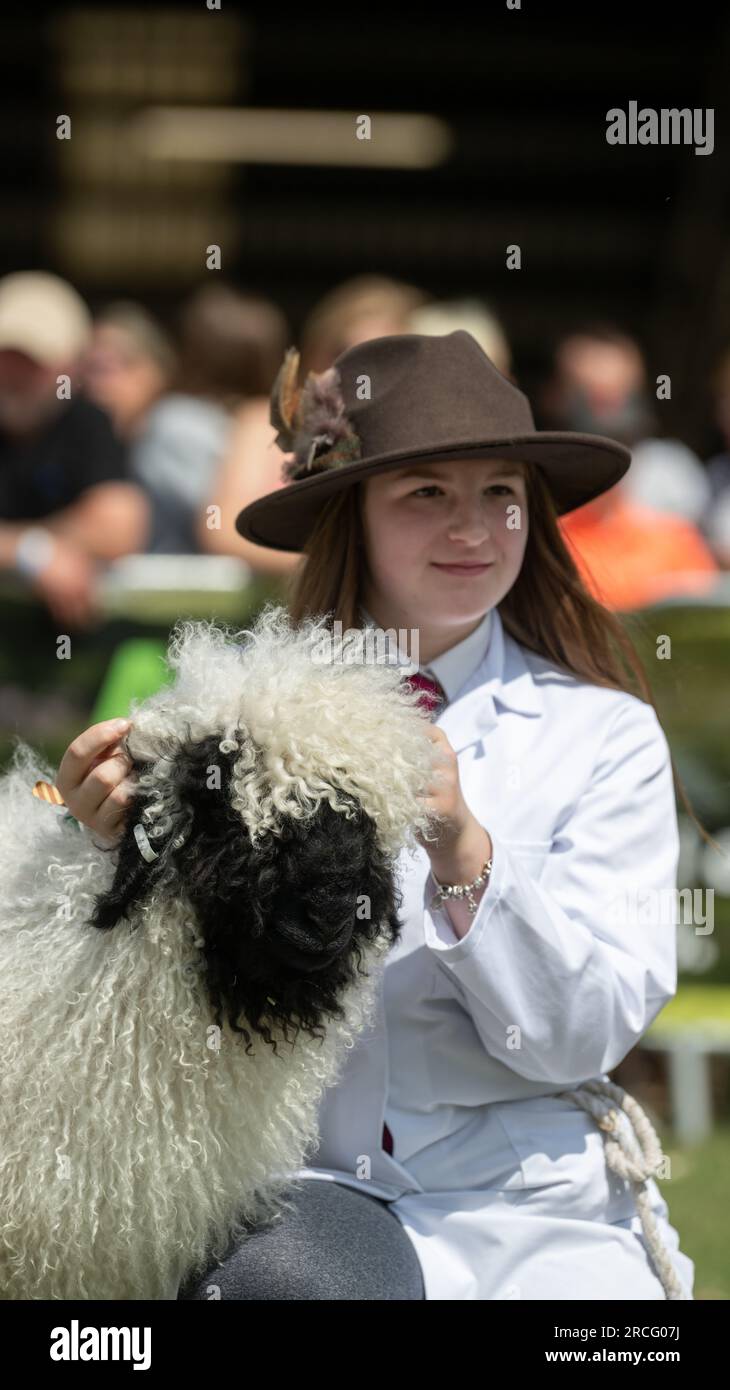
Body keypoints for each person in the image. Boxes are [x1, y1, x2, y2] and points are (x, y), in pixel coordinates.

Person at [56, 330, 698, 1300]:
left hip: (530, 1212)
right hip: (301, 1189)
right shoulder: (228, 712)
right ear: (351, 516)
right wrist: (102, 857)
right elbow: (149, 1012)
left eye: (501, 493)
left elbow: (580, 1036)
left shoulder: (602, 734)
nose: (473, 528)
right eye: (426, 492)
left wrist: (463, 849)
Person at [0, 272, 149, 626]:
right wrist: (30, 553)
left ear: (71, 365)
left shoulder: (88, 422)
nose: (15, 373)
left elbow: (118, 528)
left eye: (33, 359)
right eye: (6, 355)